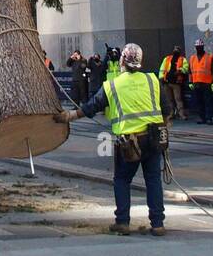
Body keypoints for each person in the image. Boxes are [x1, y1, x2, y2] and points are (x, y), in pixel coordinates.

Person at [55, 43, 171, 236]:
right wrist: (163, 129)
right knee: (153, 180)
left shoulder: (112, 85)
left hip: (129, 142)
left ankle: (123, 222)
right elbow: (167, 111)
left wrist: (67, 117)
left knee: (122, 180)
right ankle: (157, 223)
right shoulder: (152, 80)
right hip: (153, 139)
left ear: (122, 61)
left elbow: (91, 107)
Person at [189, 40, 213, 124]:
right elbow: (190, 71)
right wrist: (190, 82)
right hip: (196, 83)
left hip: (206, 83)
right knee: (199, 102)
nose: (198, 48)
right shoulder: (192, 58)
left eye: (200, 47)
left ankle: (209, 118)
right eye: (197, 47)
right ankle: (202, 118)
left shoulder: (209, 57)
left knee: (208, 101)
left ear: (203, 47)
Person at [159, 46, 189, 120]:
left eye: (177, 50)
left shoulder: (183, 59)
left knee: (178, 99)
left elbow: (186, 68)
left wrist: (180, 70)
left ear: (180, 52)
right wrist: (161, 77)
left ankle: (181, 114)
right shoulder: (167, 58)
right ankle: (171, 113)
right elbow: (162, 69)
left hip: (176, 83)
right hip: (166, 82)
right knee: (169, 99)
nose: (176, 51)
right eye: (175, 50)